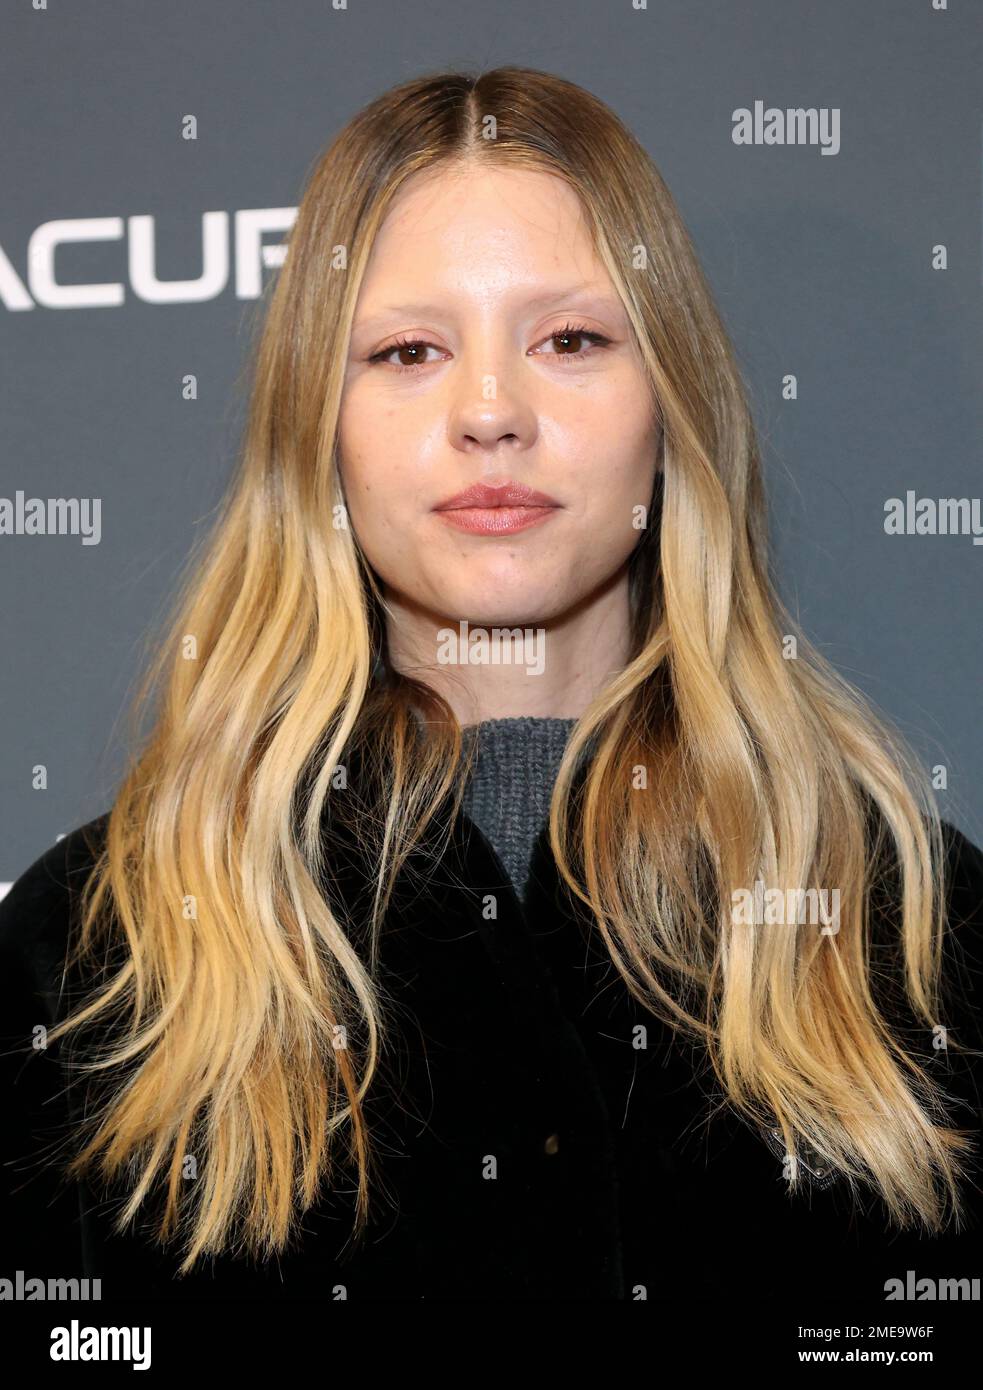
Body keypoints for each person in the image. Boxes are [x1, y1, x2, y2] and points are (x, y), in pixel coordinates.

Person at [1, 65, 981, 1304]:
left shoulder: (907, 919)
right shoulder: (99, 944)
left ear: (671, 402)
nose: (488, 412)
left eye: (568, 339)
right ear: (319, 429)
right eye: (407, 350)